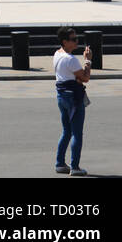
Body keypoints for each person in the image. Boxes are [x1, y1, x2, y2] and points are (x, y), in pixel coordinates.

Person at [53, 27, 92, 176]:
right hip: (73, 98)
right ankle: (75, 167)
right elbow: (85, 78)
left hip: (61, 96)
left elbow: (76, 76)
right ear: (65, 42)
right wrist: (88, 60)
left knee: (66, 131)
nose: (77, 41)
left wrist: (78, 77)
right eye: (73, 39)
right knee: (77, 133)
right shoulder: (71, 60)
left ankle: (60, 163)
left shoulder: (57, 54)